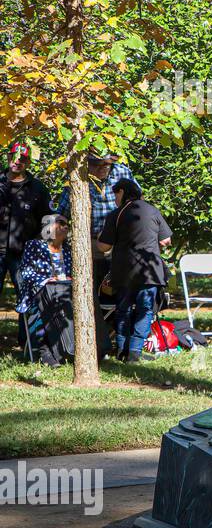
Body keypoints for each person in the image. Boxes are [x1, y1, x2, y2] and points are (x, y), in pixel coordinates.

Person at [96, 179, 172, 362]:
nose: (114, 199)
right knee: (145, 310)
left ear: (122, 192)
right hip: (150, 270)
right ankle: (135, 351)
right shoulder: (152, 210)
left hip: (124, 271)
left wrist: (100, 237)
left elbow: (103, 247)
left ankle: (123, 349)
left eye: (115, 194)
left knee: (123, 310)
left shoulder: (117, 214)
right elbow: (165, 241)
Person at [1, 143, 51, 308]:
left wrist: (36, 247)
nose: (17, 162)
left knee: (27, 300)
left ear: (28, 162)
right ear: (8, 157)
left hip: (23, 255)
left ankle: (25, 335)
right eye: (14, 157)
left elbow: (48, 221)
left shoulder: (38, 188)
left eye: (22, 159)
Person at [17, 214, 72, 363]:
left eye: (67, 224)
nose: (66, 226)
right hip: (36, 293)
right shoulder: (34, 245)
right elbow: (26, 272)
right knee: (41, 306)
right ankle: (43, 350)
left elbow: (72, 273)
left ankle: (66, 349)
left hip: (62, 295)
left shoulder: (67, 250)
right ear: (48, 226)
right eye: (60, 223)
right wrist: (47, 280)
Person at [56, 152, 133, 239]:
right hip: (90, 242)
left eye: (105, 164)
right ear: (87, 163)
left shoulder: (122, 173)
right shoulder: (77, 179)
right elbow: (62, 214)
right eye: (96, 165)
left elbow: (138, 202)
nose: (101, 169)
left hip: (122, 240)